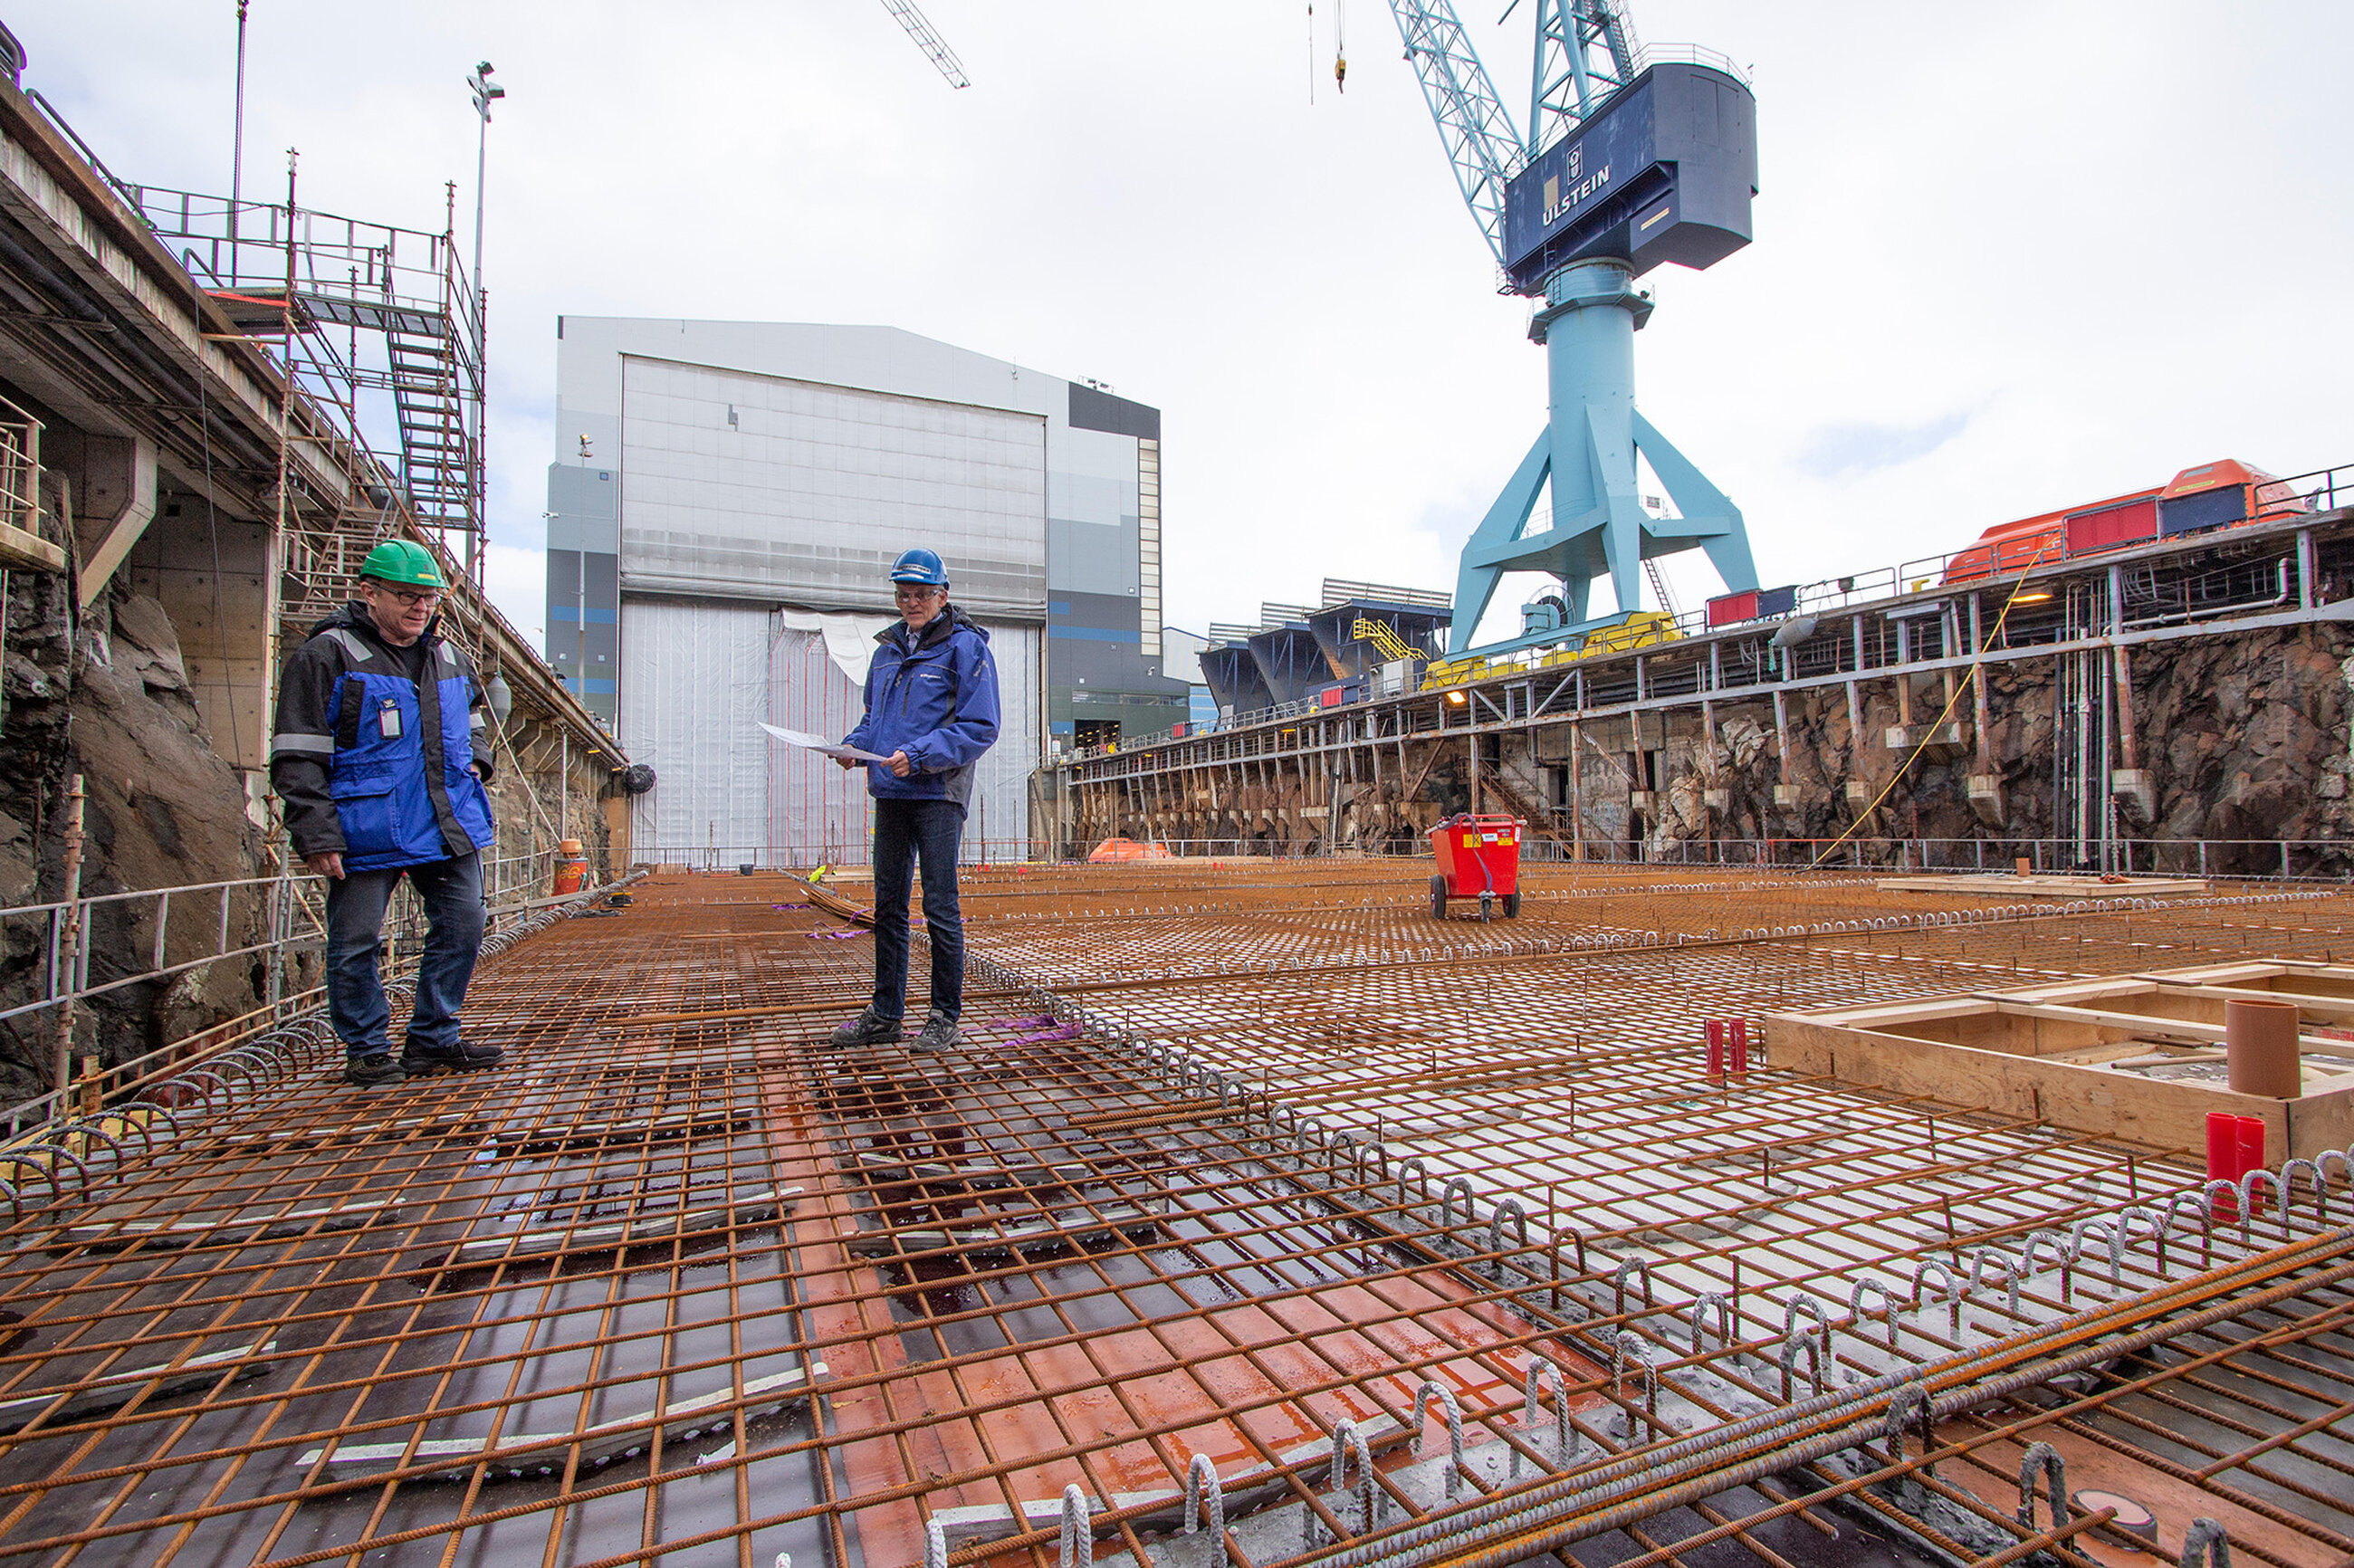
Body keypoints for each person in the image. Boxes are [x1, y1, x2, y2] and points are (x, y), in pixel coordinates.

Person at [269, 540, 503, 1086]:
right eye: (406, 596)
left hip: (446, 819)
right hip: (365, 826)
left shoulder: (448, 656)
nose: (420, 608)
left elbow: (472, 721)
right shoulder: (327, 656)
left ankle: (434, 1037)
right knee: (356, 941)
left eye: (429, 598)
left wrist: (480, 763)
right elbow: (298, 752)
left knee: (465, 922)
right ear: (368, 593)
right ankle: (368, 1049)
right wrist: (316, 832)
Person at [830, 548, 1001, 1053]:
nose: (911, 603)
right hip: (891, 790)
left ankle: (944, 1015)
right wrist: (853, 748)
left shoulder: (965, 649)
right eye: (903, 594)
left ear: (942, 596)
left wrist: (920, 754)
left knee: (940, 905)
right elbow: (874, 721)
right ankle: (886, 1014)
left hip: (937, 792)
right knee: (888, 905)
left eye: (922, 594)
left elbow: (980, 726)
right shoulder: (886, 654)